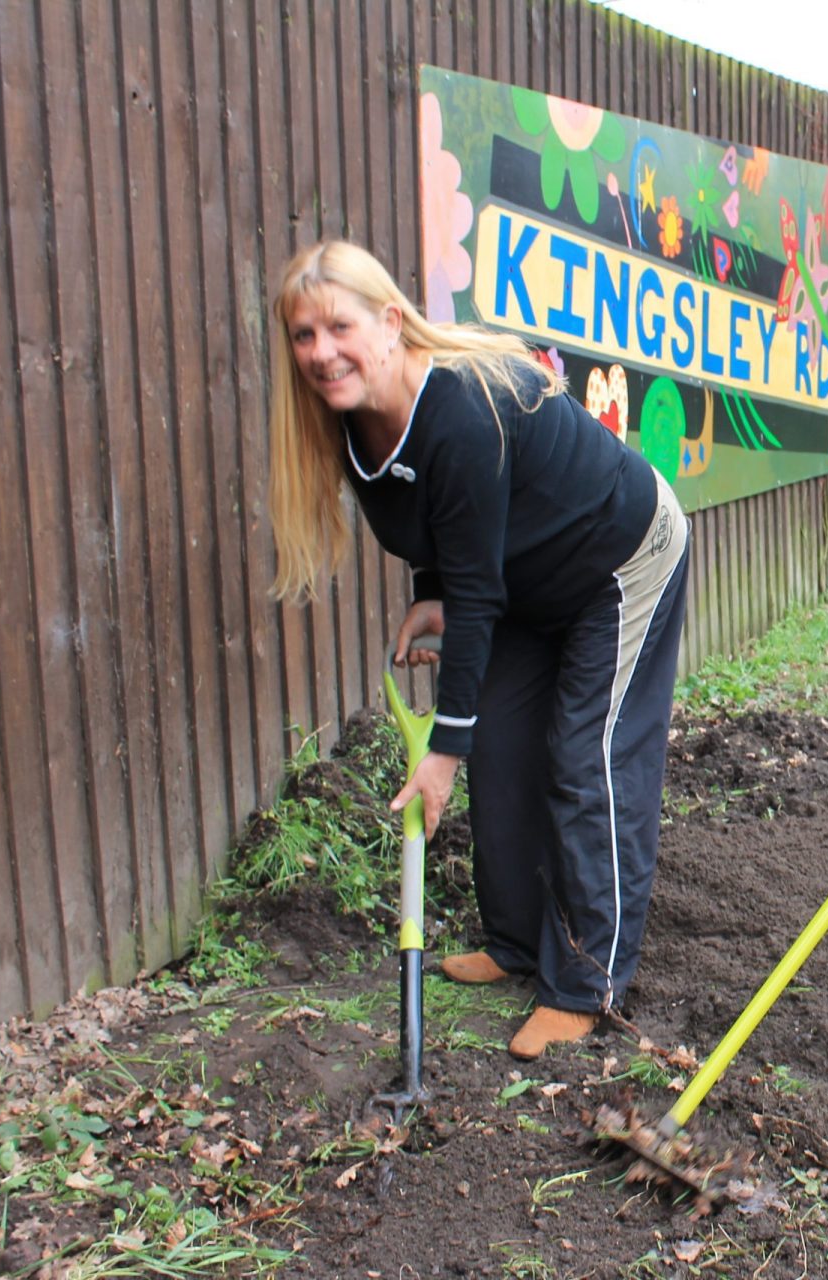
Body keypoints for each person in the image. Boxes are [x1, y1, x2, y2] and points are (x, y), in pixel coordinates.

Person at [267, 241, 690, 1061]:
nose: (321, 353)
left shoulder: (459, 407)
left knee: (586, 757)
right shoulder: (353, 416)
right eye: (302, 335)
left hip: (620, 557)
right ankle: (517, 944)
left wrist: (439, 755)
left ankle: (585, 985)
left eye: (338, 327)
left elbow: (479, 586)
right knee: (499, 744)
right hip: (531, 575)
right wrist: (432, 589)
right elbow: (439, 518)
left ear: (390, 322)